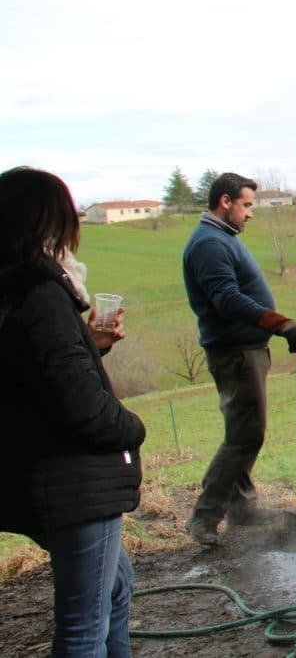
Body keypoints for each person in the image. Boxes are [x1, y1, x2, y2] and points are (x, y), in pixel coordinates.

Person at [0, 166, 146, 657]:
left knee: (117, 585)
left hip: (35, 474)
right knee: (83, 627)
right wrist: (132, 428)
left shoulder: (12, 289)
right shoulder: (41, 296)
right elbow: (81, 409)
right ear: (46, 225)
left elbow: (36, 375)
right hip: (73, 483)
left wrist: (91, 343)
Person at [182, 172, 296, 546]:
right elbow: (227, 298)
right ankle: (204, 518)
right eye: (246, 205)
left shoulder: (220, 238)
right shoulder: (209, 243)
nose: (250, 214)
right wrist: (281, 323)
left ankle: (241, 506)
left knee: (240, 431)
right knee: (245, 436)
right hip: (236, 353)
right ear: (225, 201)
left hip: (243, 348)